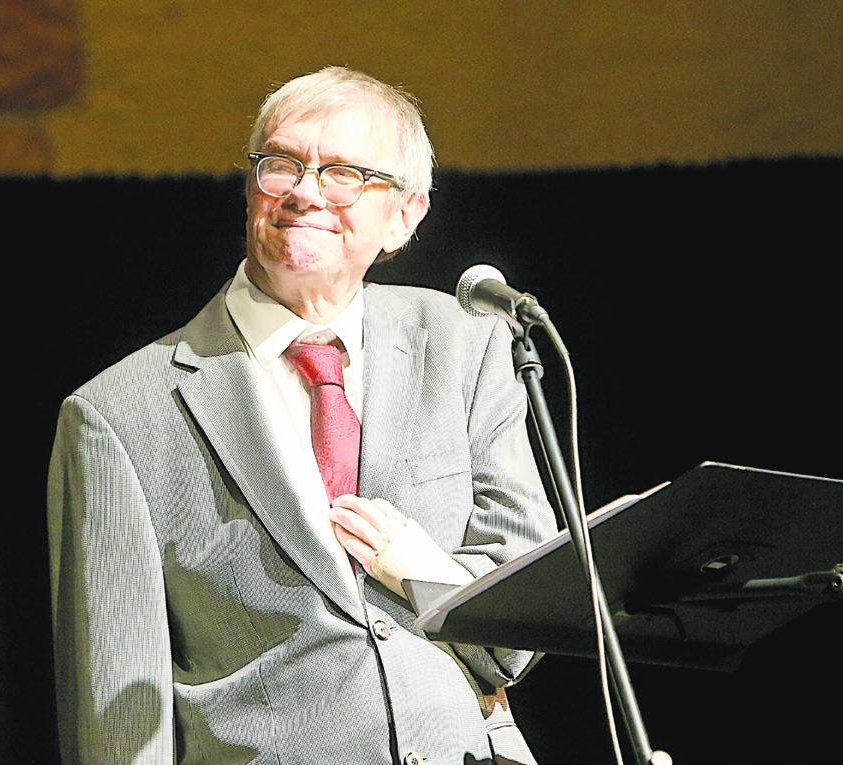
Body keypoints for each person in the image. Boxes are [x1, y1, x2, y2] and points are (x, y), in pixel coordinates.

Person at [48, 66, 558, 764]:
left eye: (344, 172)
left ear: (404, 213)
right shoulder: (118, 413)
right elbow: (117, 708)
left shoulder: (465, 344)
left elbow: (520, 633)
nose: (305, 192)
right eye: (281, 164)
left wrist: (417, 569)